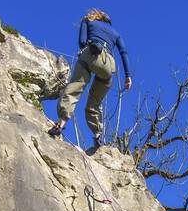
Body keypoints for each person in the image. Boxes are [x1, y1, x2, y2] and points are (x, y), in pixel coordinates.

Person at [48, 9, 132, 149]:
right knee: (95, 103)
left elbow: (82, 41)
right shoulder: (116, 34)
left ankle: (60, 124)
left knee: (75, 88)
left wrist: (84, 53)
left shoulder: (88, 21)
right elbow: (123, 53)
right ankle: (97, 135)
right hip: (108, 65)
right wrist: (128, 76)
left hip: (91, 53)